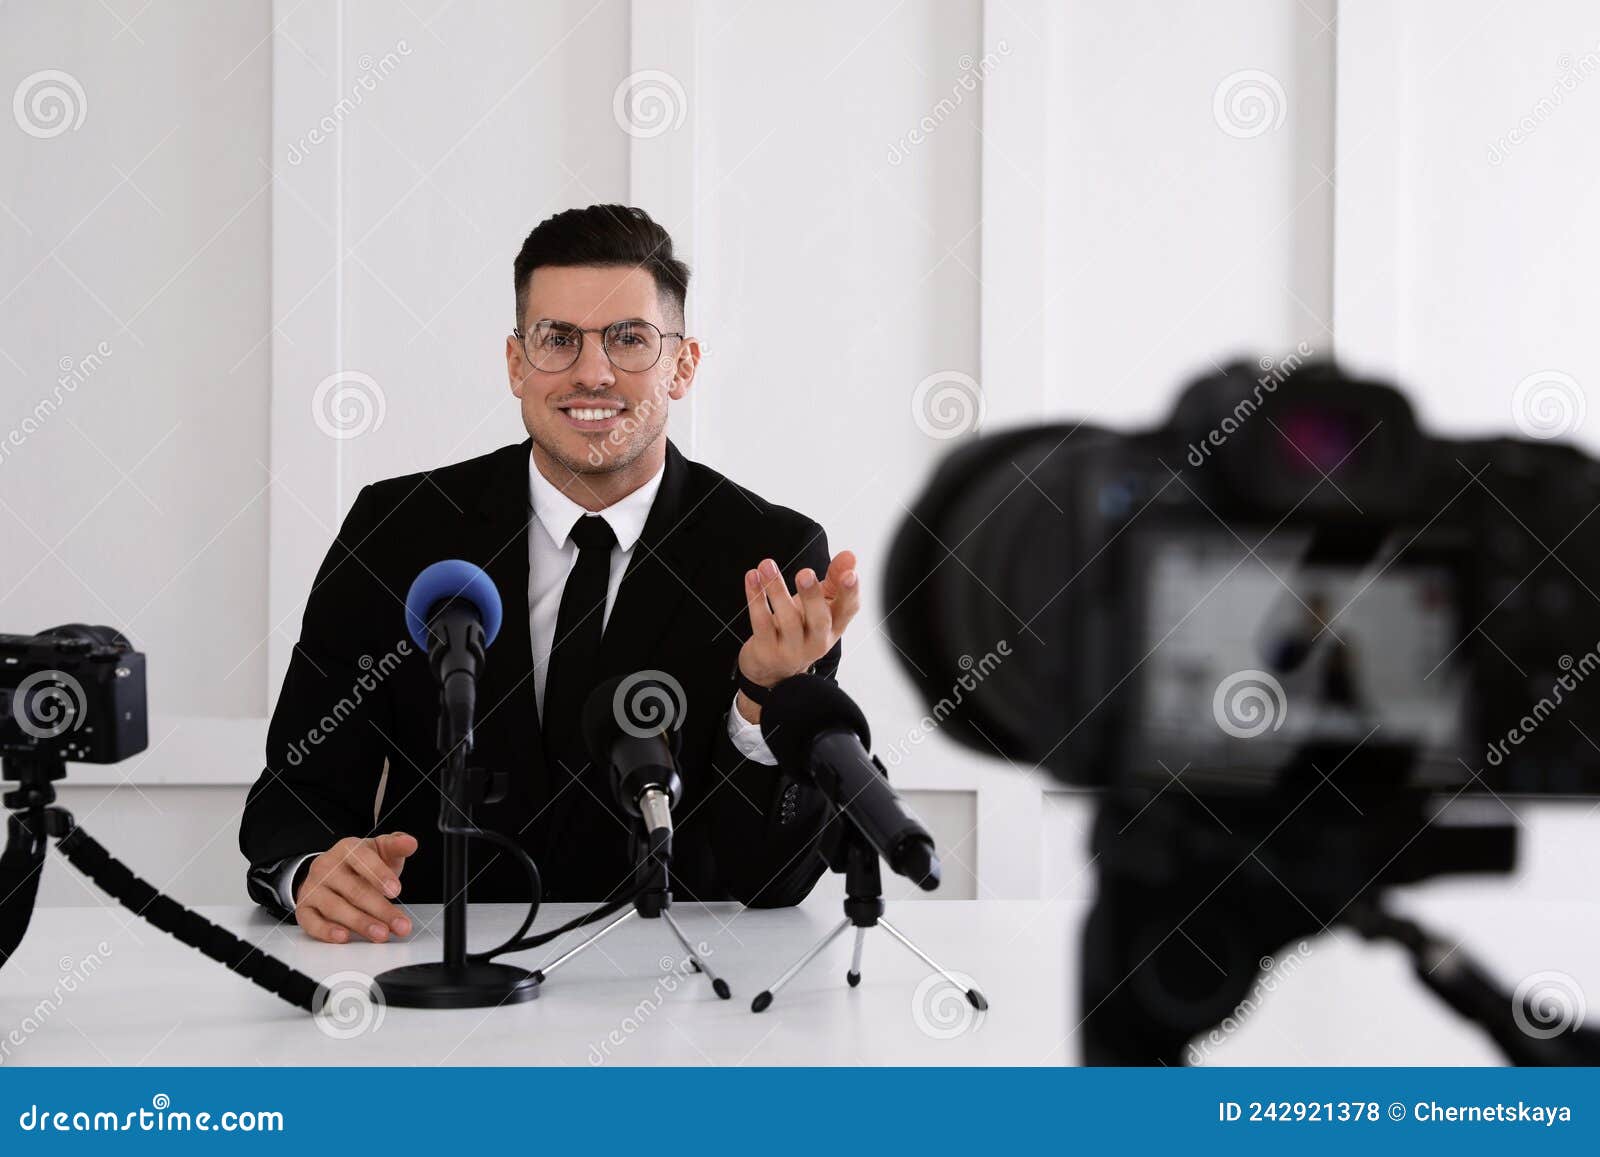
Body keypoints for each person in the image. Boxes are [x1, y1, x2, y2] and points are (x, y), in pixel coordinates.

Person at [238, 205, 859, 944]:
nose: (591, 372)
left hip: (674, 995)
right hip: (436, 974)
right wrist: (310, 869)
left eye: (630, 340)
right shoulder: (398, 529)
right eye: (558, 339)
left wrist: (760, 700)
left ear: (682, 365)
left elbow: (771, 881)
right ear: (516, 364)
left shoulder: (769, 553)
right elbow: (296, 793)